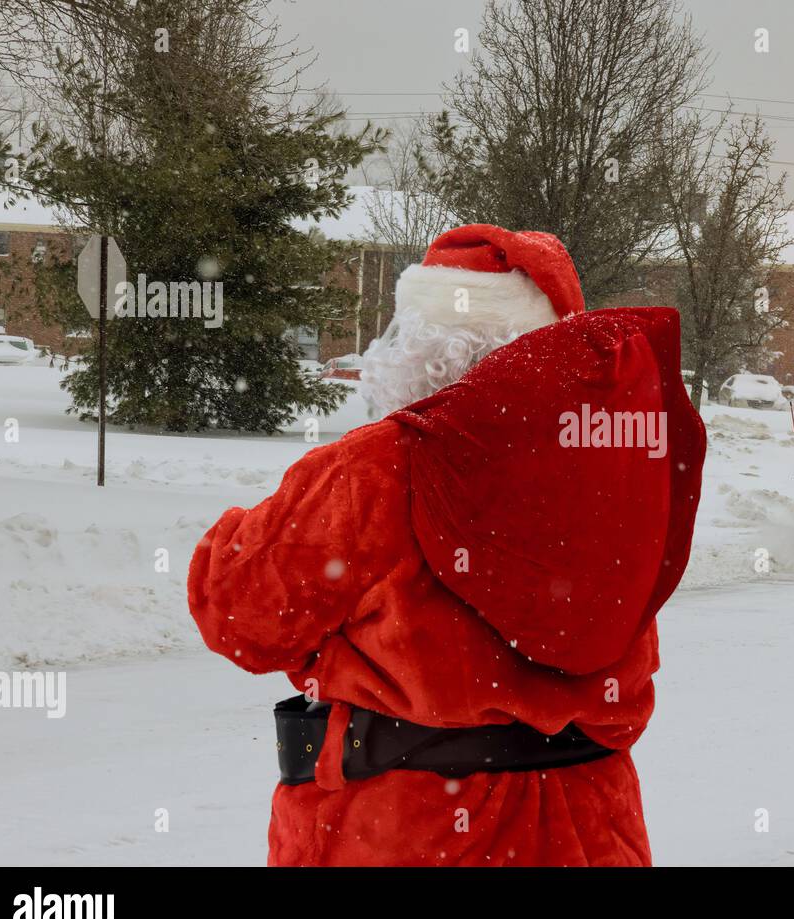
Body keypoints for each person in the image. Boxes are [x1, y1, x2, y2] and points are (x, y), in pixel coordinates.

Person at [188, 224, 706, 865]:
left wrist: (241, 530)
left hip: (404, 830)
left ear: (419, 343)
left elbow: (238, 616)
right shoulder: (621, 481)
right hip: (591, 826)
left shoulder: (375, 470)